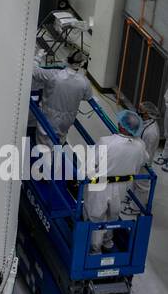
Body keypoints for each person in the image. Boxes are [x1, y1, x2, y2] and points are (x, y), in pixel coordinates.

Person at [84, 110, 148, 252]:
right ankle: (108, 242)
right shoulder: (140, 146)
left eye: (120, 122)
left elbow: (89, 166)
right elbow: (144, 160)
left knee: (96, 216)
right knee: (112, 215)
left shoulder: (106, 142)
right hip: (122, 186)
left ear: (123, 127)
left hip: (100, 185)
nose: (118, 123)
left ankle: (95, 250)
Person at [31, 53, 92, 142]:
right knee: (59, 141)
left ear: (67, 60)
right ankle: (56, 154)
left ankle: (44, 154)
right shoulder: (84, 82)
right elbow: (87, 97)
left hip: (49, 116)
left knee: (44, 141)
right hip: (67, 120)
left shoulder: (54, 75)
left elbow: (34, 71)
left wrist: (37, 57)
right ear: (81, 64)